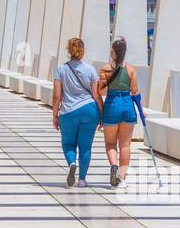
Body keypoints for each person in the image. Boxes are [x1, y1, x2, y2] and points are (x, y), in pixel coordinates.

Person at [50, 37, 102, 188]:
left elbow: (57, 95)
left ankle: (72, 163)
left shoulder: (61, 69)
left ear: (68, 51)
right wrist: (101, 113)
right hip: (89, 110)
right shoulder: (90, 69)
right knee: (85, 146)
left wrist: (55, 115)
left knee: (68, 144)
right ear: (82, 51)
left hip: (68, 112)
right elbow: (96, 94)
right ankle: (82, 180)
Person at [97, 37, 140, 187]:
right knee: (125, 145)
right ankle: (122, 178)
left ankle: (114, 166)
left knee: (110, 143)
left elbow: (101, 91)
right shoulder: (131, 70)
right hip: (128, 107)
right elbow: (135, 92)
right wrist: (141, 111)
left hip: (111, 106)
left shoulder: (105, 69)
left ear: (112, 52)